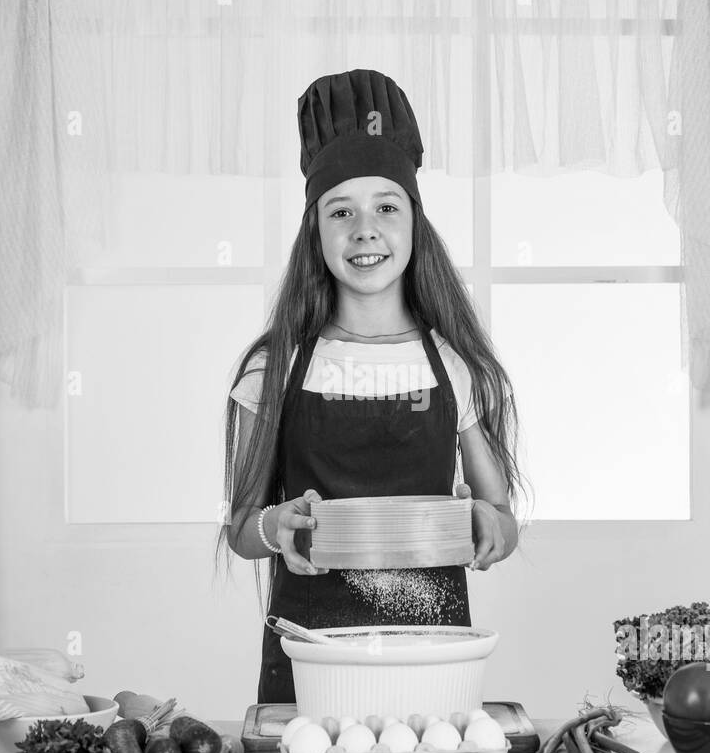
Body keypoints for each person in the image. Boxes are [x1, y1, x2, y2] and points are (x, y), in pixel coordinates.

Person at [217, 69, 527, 704]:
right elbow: (242, 527)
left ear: (415, 222)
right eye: (341, 211)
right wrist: (278, 526)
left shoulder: (453, 366)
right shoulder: (274, 370)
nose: (366, 229)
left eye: (387, 206)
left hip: (432, 661)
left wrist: (489, 528)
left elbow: (502, 516)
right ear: (315, 231)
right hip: (310, 659)